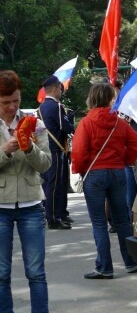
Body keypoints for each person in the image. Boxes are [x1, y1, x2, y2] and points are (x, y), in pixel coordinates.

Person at [0, 70, 55, 313]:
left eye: (16, 100)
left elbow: (45, 164)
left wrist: (29, 146)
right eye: (6, 101)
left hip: (32, 204)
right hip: (1, 207)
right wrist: (6, 150)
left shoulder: (33, 121)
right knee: (1, 273)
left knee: (36, 272)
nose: (12, 107)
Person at [71, 82, 137, 279]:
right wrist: (124, 159)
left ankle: (104, 267)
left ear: (91, 98)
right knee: (122, 220)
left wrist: (79, 170)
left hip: (94, 174)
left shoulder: (86, 123)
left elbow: (78, 152)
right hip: (117, 171)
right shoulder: (119, 122)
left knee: (98, 223)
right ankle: (131, 261)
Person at [38, 75, 75, 229]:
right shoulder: (56, 106)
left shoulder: (40, 108)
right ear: (54, 88)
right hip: (56, 150)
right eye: (60, 88)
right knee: (55, 185)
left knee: (48, 183)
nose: (61, 91)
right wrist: (70, 122)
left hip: (46, 150)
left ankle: (55, 214)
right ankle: (54, 218)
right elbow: (66, 128)